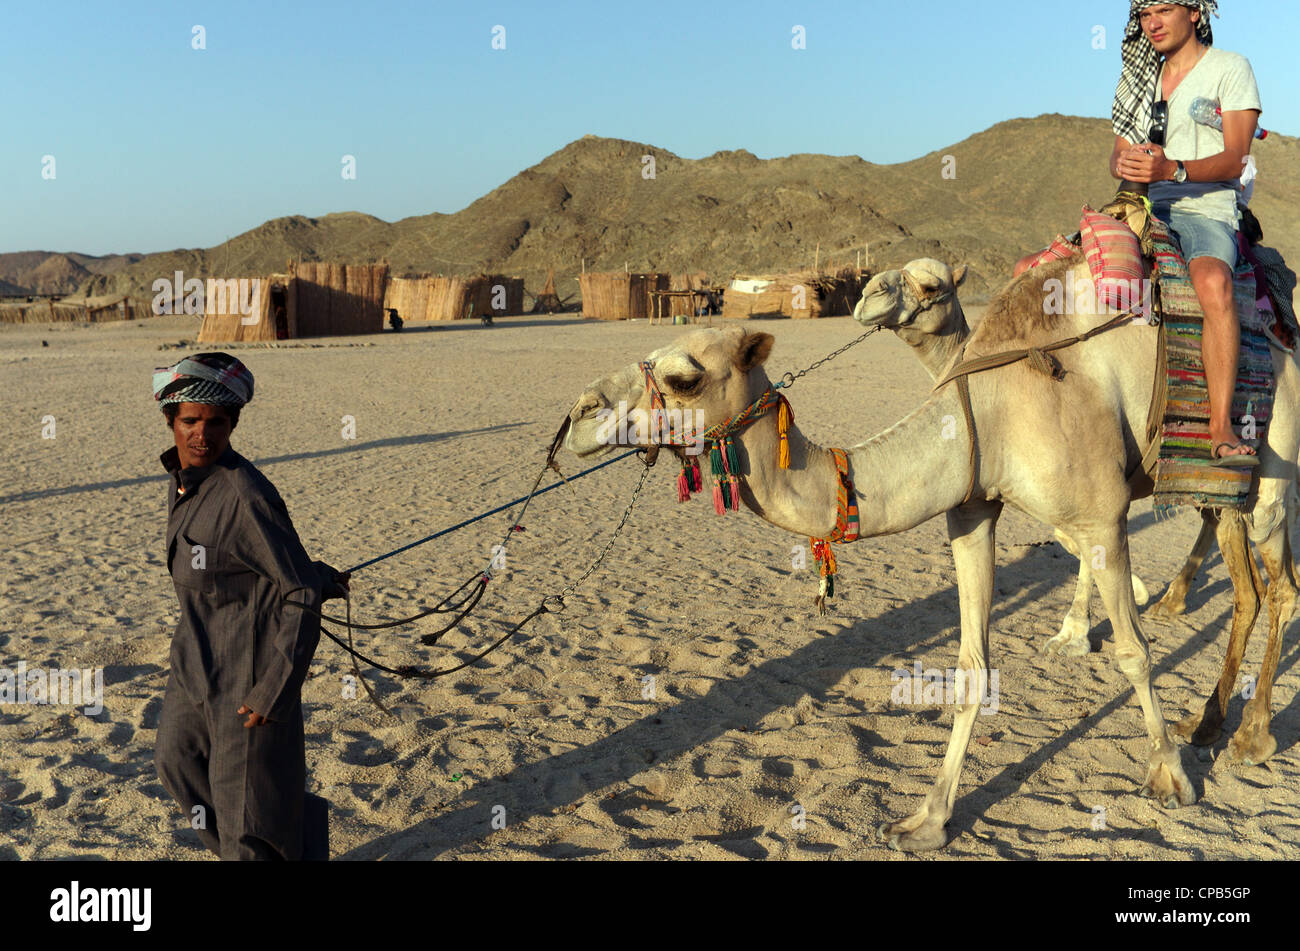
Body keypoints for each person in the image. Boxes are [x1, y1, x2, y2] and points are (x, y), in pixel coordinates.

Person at [152, 352, 347, 860]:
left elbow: (299, 590)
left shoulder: (245, 494)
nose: (202, 434)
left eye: (216, 422)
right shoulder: (182, 482)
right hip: (192, 665)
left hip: (247, 673)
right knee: (177, 765)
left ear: (233, 423)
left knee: (248, 811)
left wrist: (273, 690)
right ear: (171, 421)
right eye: (190, 421)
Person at [1110, 0, 1263, 466]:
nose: (1151, 23)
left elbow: (1238, 157)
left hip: (1206, 205)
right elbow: (1118, 155)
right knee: (1051, 270)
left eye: (1162, 10)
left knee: (1213, 283)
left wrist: (1172, 168)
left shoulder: (1230, 68)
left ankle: (1219, 429)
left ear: (1195, 13)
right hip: (1142, 206)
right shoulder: (1139, 79)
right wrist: (1125, 164)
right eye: (1143, 15)